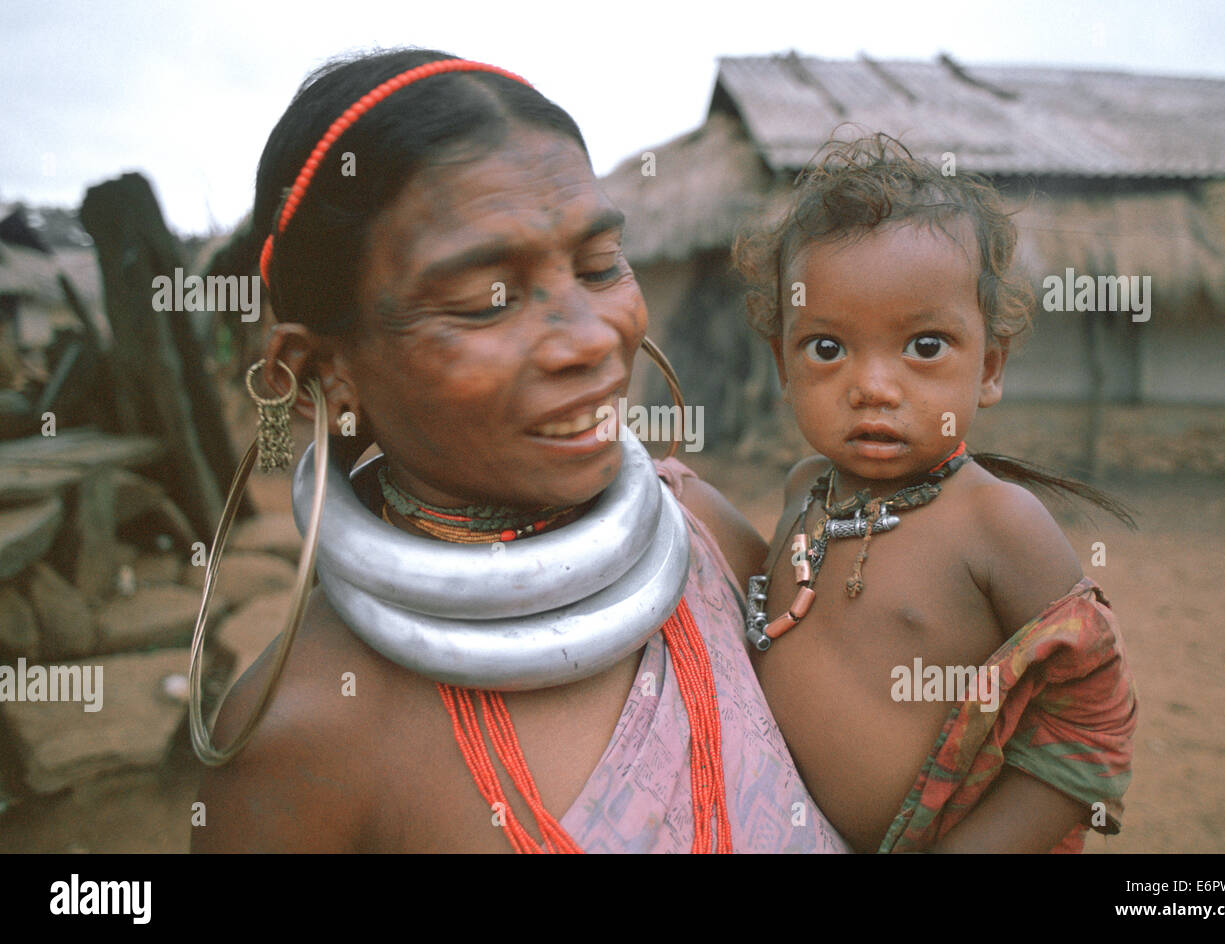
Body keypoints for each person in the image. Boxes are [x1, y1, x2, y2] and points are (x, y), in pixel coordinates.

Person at [191, 48, 849, 853]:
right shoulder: (304, 737)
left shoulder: (701, 537)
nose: (590, 338)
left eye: (600, 266)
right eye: (481, 303)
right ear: (319, 375)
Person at [733, 134, 1138, 853]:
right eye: (827, 348)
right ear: (782, 364)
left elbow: (1090, 727)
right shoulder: (806, 491)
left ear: (990, 367)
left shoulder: (997, 524)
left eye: (924, 346)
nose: (874, 388)